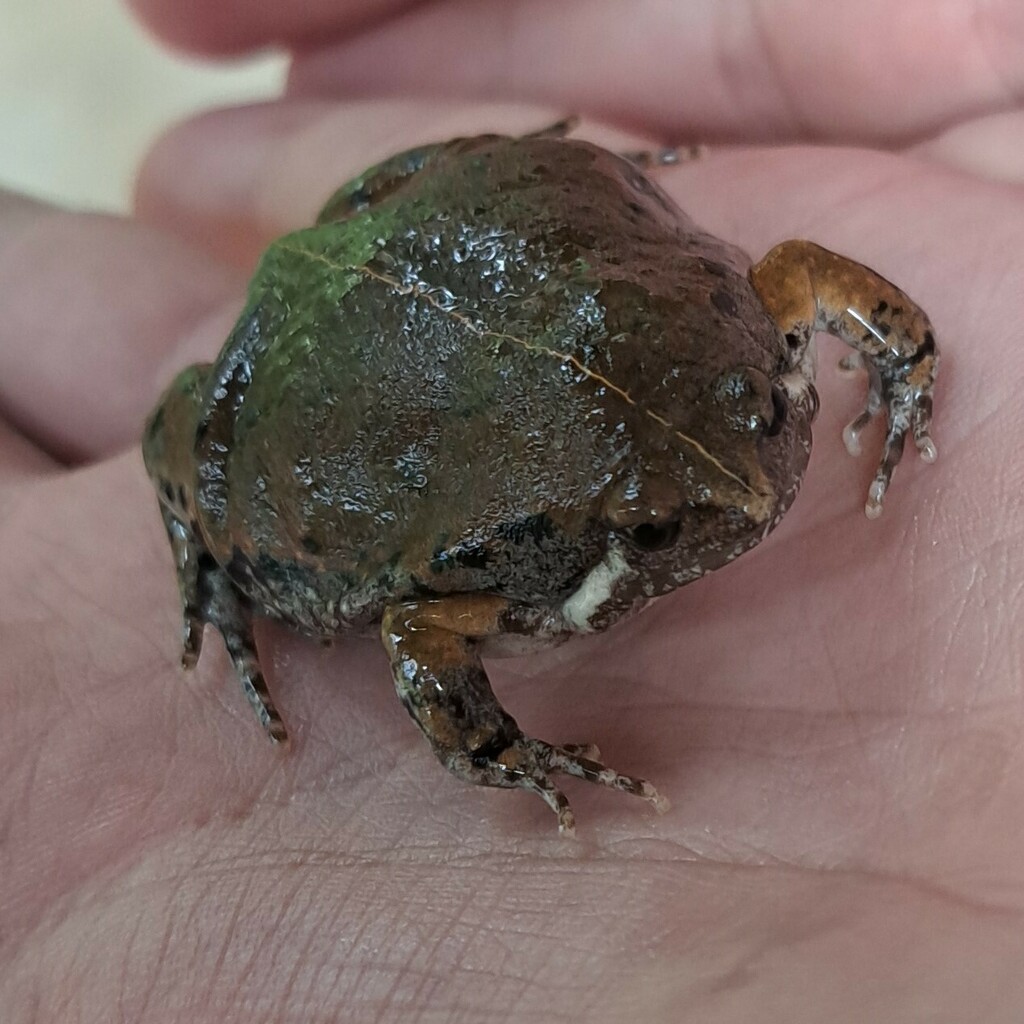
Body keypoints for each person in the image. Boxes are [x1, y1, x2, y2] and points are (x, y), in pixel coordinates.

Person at [4, 1, 1023, 1018]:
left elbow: (797, 269)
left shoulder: (752, 318)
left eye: (752, 407)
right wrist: (495, 748)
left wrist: (908, 355)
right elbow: (417, 625)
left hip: (415, 231)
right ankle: (203, 552)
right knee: (215, 483)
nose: (756, 491)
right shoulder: (495, 565)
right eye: (658, 525)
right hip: (295, 388)